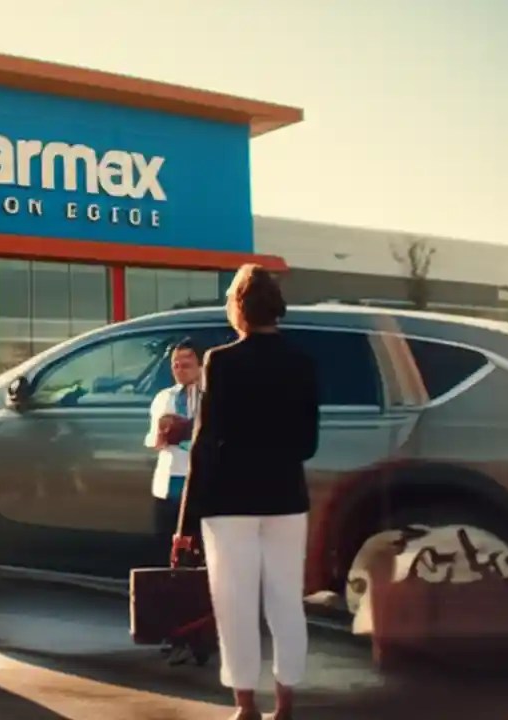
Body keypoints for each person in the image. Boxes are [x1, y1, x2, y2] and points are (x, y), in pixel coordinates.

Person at [177, 264, 320, 720]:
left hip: (229, 502)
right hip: (285, 500)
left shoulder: (220, 361)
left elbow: (203, 442)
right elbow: (307, 444)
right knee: (286, 603)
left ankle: (246, 707)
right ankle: (286, 705)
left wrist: (185, 523)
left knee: (235, 604)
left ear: (237, 307)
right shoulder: (303, 362)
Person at [144, 340, 202, 561]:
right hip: (168, 480)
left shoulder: (210, 397)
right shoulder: (164, 397)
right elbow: (152, 440)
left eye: (186, 364)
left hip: (196, 479)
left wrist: (190, 430)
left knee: (196, 543)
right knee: (166, 543)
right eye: (175, 365)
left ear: (200, 366)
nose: (179, 370)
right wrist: (162, 435)